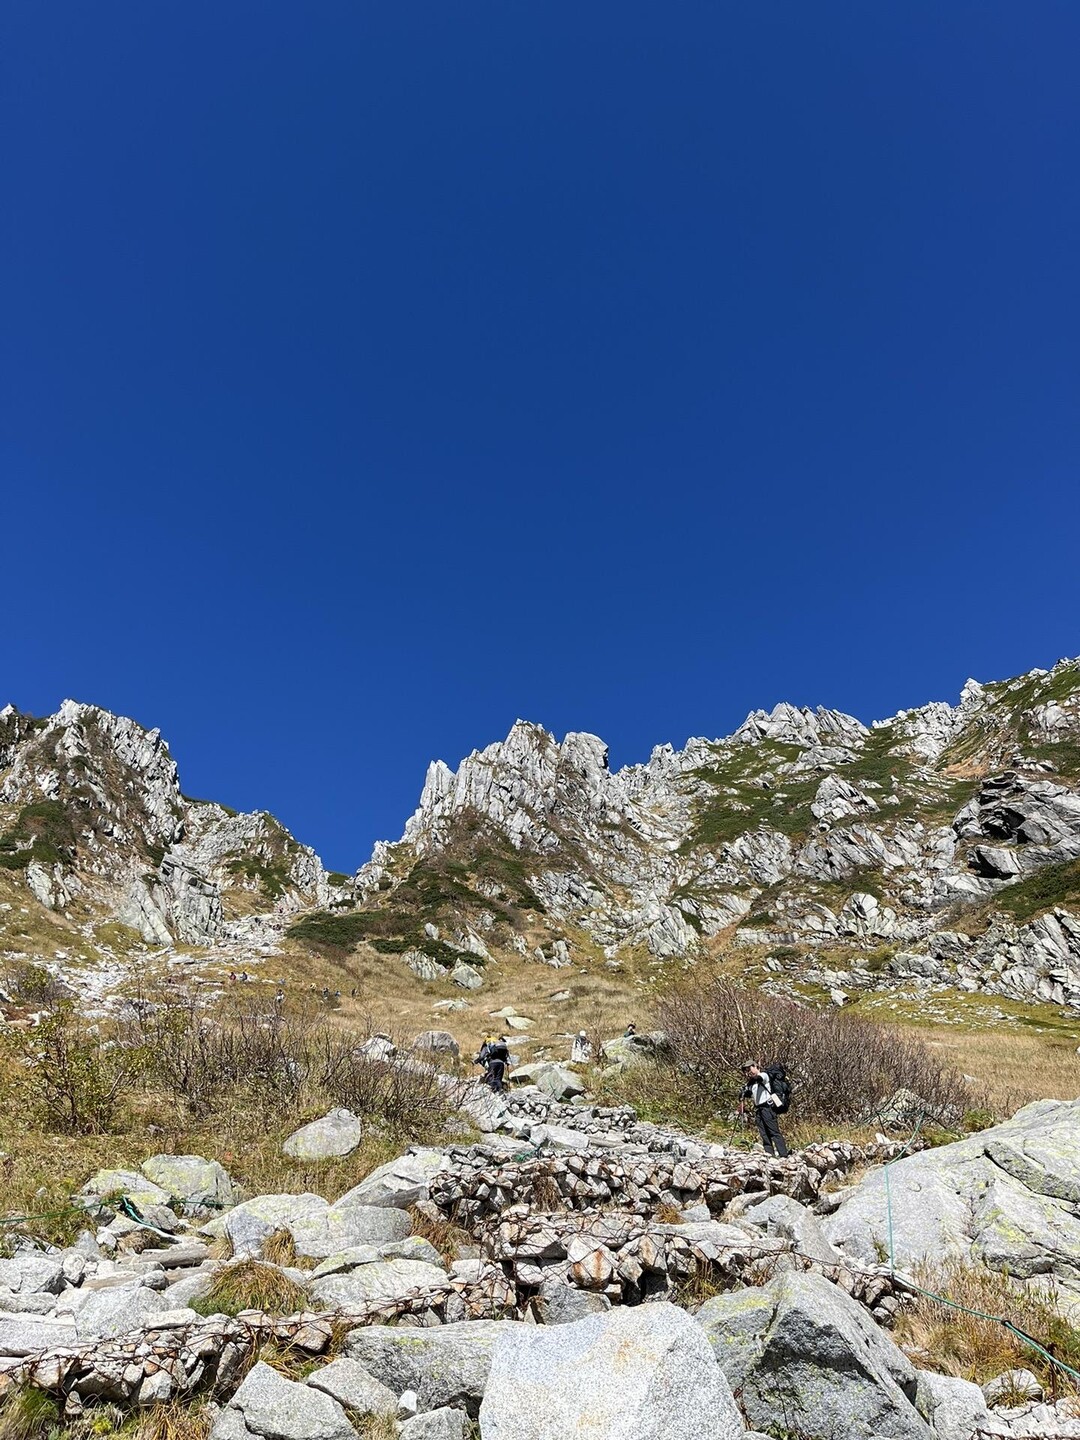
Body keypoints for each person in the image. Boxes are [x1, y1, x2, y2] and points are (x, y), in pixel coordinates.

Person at [740, 1061, 789, 1158]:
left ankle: (783, 1155)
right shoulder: (752, 1084)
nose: (748, 1072)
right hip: (759, 1110)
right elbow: (751, 1093)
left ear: (755, 1066)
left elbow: (759, 1078)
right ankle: (769, 1154)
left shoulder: (764, 1075)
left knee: (774, 1132)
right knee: (764, 1134)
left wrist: (750, 1082)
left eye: (749, 1069)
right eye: (746, 1071)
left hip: (767, 1108)